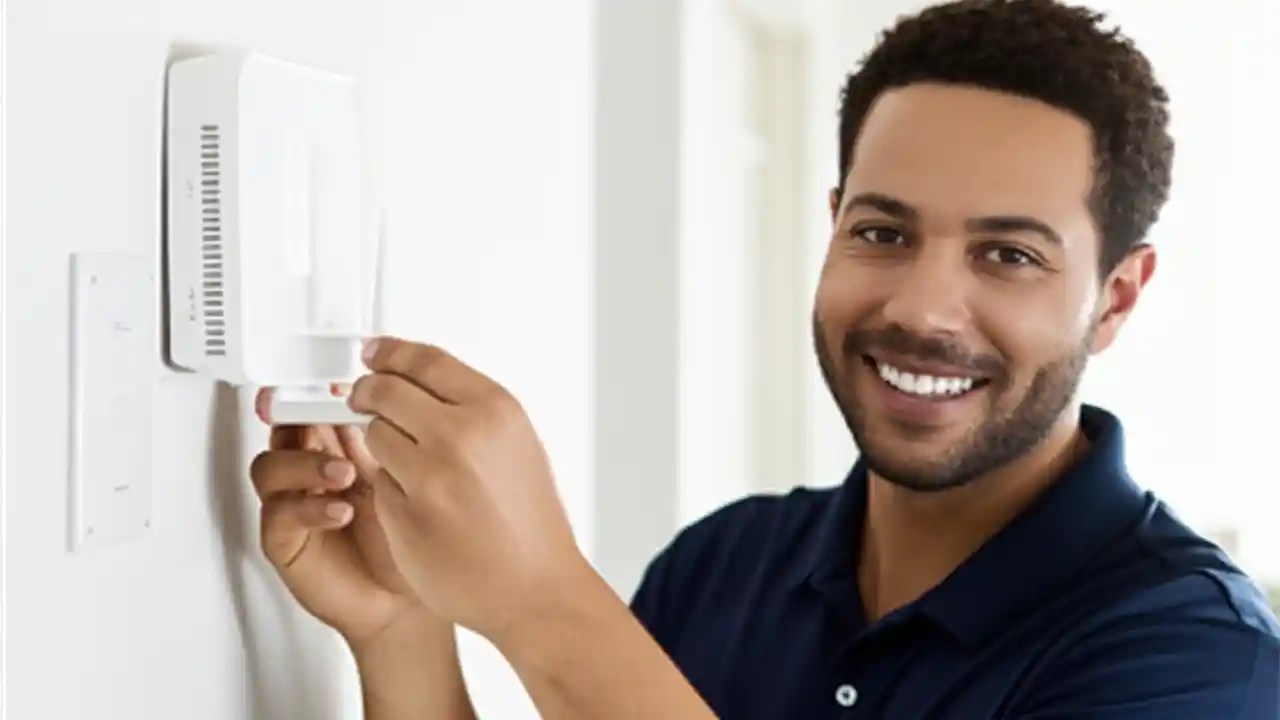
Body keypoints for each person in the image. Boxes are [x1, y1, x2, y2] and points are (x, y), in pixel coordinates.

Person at [248, 0, 1280, 717]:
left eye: (1005, 255)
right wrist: (404, 635)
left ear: (1114, 296)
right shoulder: (716, 567)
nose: (921, 307)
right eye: (881, 232)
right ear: (829, 226)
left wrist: (543, 600)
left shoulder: (1195, 662)